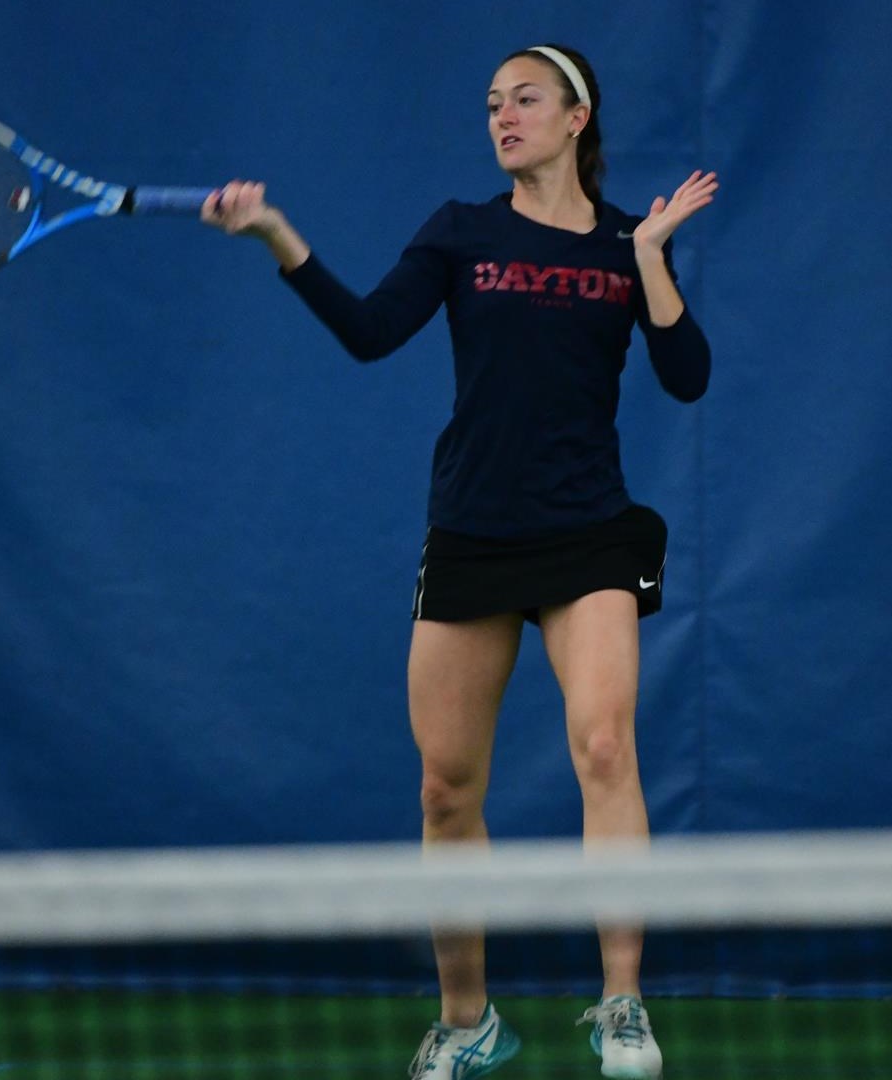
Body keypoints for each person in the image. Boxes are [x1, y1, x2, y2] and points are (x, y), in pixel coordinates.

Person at [201, 42, 715, 1080]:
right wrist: (275, 235)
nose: (502, 116)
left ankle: (622, 1004)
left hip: (589, 533)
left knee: (606, 748)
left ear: (578, 117)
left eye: (525, 99)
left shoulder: (627, 242)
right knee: (445, 787)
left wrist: (653, 257)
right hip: (474, 531)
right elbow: (369, 331)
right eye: (491, 104)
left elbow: (688, 377)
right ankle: (468, 1018)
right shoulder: (462, 231)